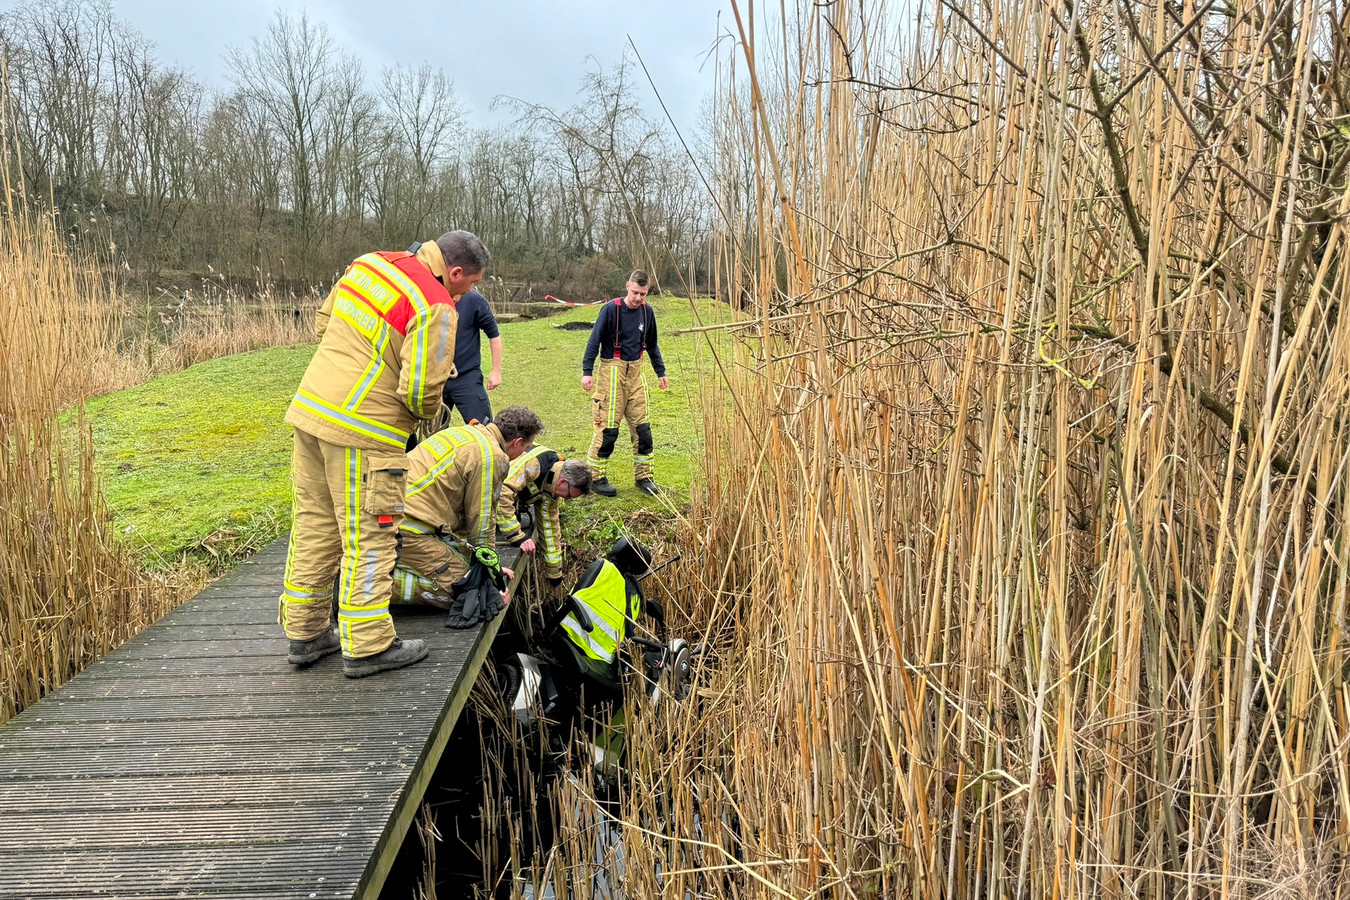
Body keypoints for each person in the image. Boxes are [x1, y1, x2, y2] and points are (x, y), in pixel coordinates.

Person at [279, 230, 489, 679]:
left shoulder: (371, 263)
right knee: (372, 533)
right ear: (454, 272)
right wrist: (426, 410)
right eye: (469, 284)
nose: (468, 292)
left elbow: (322, 325)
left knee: (315, 524)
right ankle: (370, 643)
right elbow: (419, 393)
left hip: (311, 412)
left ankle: (306, 631)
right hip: (366, 434)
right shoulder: (435, 304)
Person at [390, 406, 545, 608]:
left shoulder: (466, 431)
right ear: (516, 443)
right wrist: (490, 578)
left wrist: (491, 568)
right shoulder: (493, 457)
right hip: (407, 527)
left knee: (468, 575)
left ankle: (382, 567)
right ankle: (375, 588)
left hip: (389, 513)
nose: (523, 453)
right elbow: (481, 523)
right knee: (465, 590)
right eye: (526, 448)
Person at [581, 269, 669, 497]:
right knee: (608, 430)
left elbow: (652, 345)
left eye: (644, 294)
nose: (639, 298)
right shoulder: (611, 310)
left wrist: (661, 372)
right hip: (612, 373)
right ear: (627, 286)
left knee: (643, 430)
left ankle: (644, 477)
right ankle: (596, 478)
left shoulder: (647, 313)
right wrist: (587, 372)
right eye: (636, 292)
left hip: (636, 373)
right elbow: (594, 342)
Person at [497, 451, 592, 594]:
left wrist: (554, 574)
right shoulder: (533, 465)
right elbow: (501, 492)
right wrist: (517, 536)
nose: (566, 500)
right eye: (569, 496)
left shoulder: (551, 487)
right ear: (562, 482)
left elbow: (549, 527)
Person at [440, 286, 502, 425]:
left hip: (466, 377)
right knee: (433, 431)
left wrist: (496, 371)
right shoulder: (431, 296)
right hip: (436, 377)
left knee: (484, 430)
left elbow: (494, 335)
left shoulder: (474, 299)